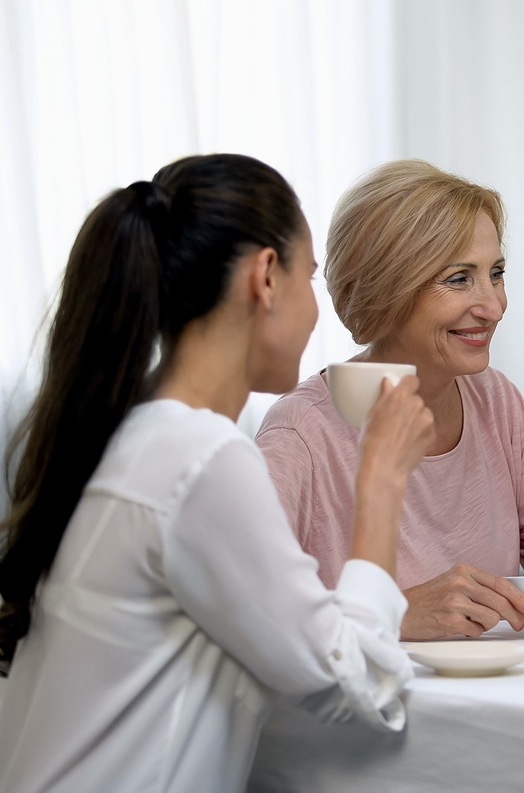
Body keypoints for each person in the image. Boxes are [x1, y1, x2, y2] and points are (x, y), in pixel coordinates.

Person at [0, 154, 435, 792]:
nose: (318, 311)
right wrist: (382, 482)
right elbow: (356, 683)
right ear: (265, 277)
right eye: (310, 277)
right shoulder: (201, 456)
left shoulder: (135, 433)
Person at [256, 160, 524, 641]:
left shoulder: (496, 401)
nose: (493, 306)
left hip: (491, 701)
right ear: (385, 288)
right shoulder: (300, 434)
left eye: (496, 273)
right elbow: (248, 618)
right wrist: (396, 613)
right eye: (458, 279)